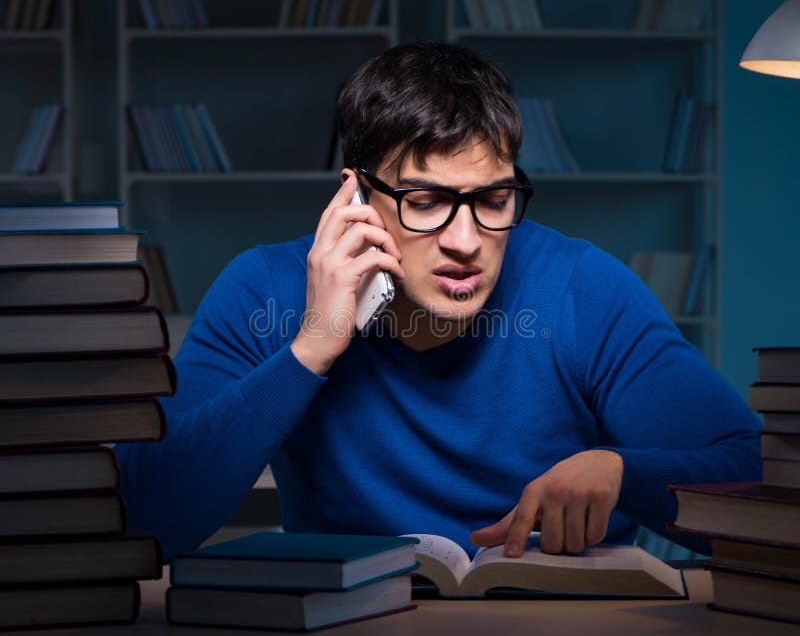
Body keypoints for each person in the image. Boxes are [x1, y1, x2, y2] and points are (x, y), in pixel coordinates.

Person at [115, 43, 761, 563]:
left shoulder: (581, 288)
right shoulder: (265, 289)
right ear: (358, 200)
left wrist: (624, 471)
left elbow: (760, 482)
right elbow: (150, 520)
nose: (465, 242)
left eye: (492, 200)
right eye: (424, 202)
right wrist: (310, 348)